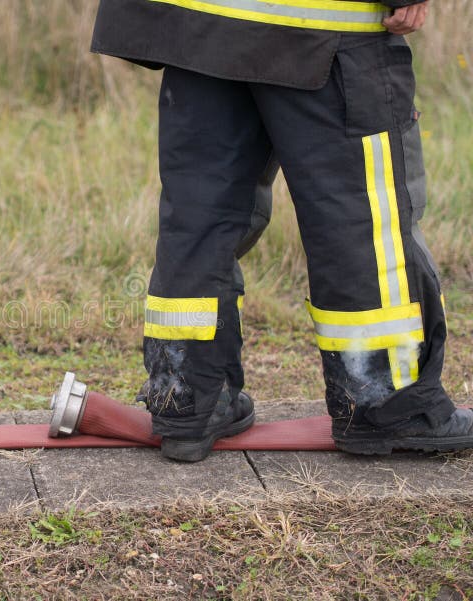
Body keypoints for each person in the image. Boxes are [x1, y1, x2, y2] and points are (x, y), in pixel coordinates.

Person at [91, 0, 473, 461]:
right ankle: (382, 403)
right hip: (322, 27)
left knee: (200, 215)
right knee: (356, 215)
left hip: (198, 23)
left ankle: (188, 400)